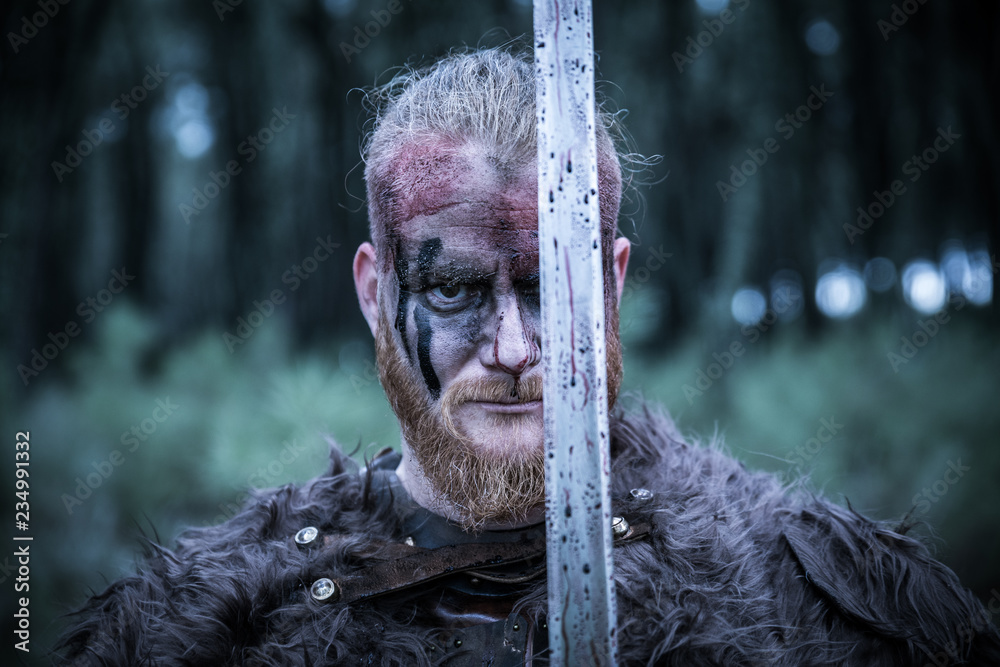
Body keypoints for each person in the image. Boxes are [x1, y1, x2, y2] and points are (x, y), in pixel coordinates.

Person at [59, 47, 1000, 667]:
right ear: (373, 291)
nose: (513, 349)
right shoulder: (198, 627)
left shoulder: (801, 592)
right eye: (456, 290)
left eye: (551, 290)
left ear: (614, 284)